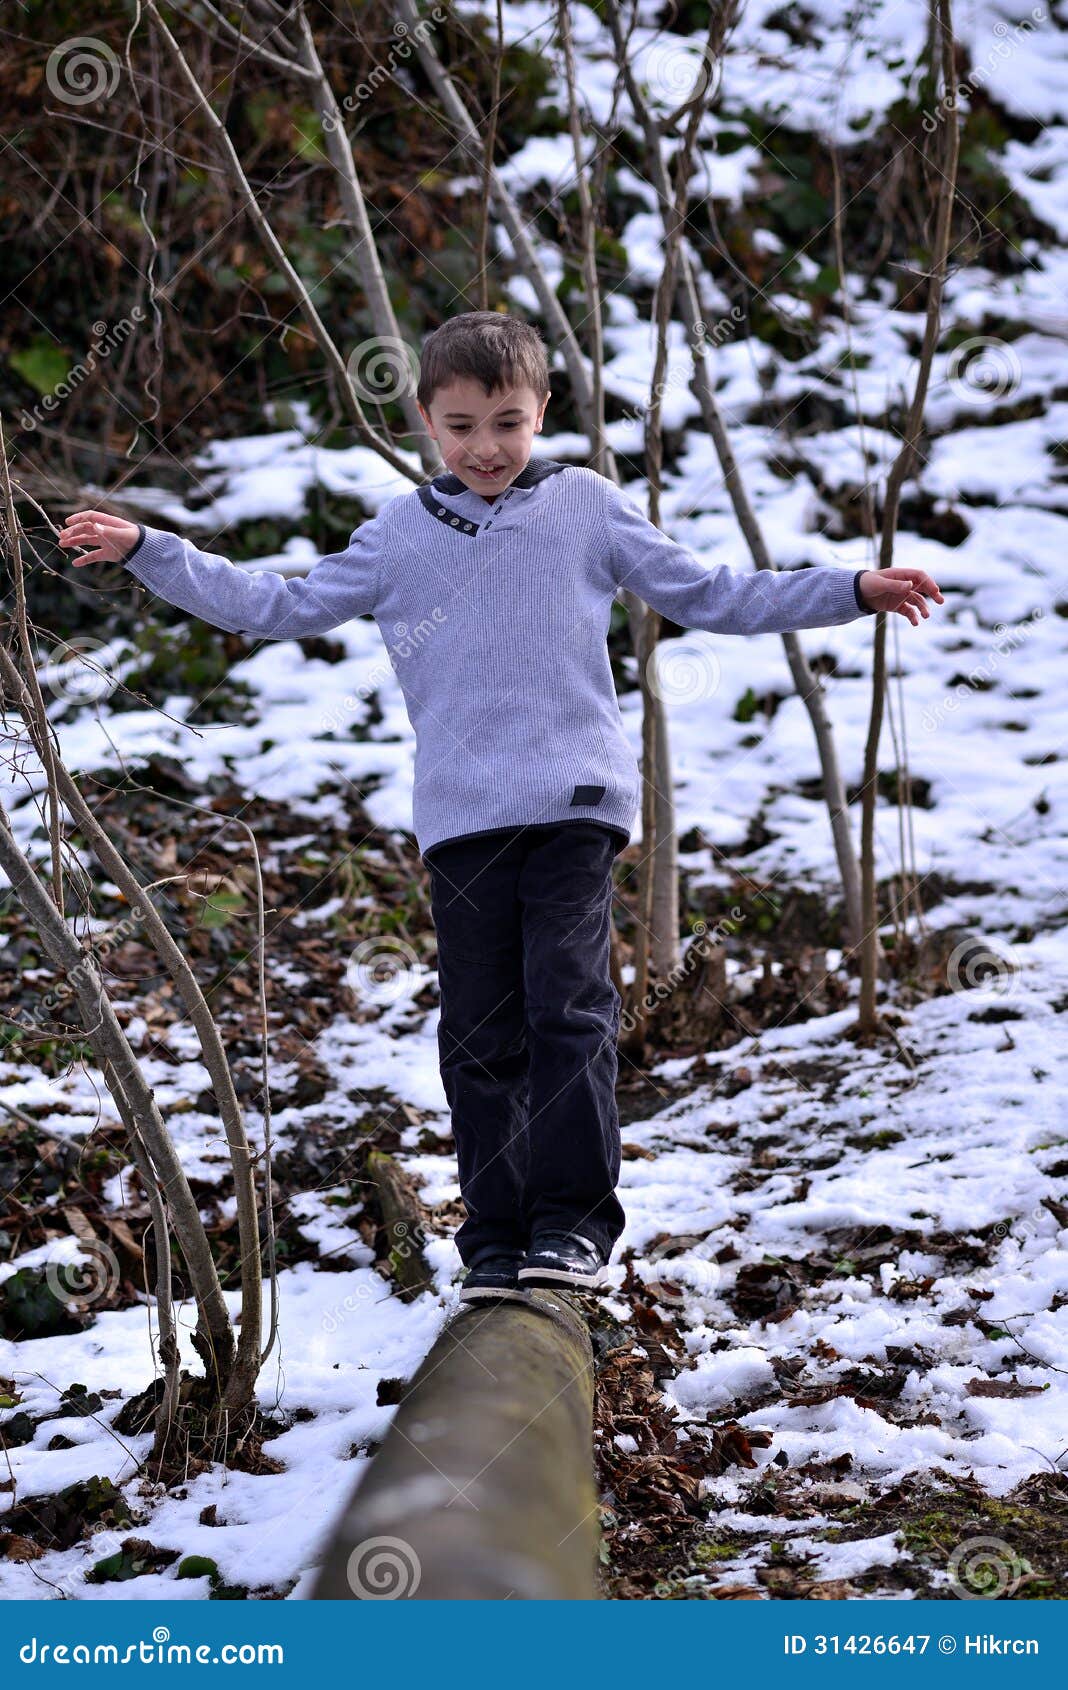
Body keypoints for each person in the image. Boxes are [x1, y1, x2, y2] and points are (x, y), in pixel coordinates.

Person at [58, 310, 944, 1303]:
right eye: (464, 425)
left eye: (509, 424)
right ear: (429, 424)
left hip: (572, 802)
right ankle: (496, 1230)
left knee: (567, 1004)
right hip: (463, 819)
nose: (488, 447)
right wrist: (148, 548)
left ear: (542, 416)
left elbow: (713, 593)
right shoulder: (397, 537)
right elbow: (277, 605)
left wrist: (852, 588)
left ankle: (572, 1221)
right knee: (480, 1030)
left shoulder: (585, 508)